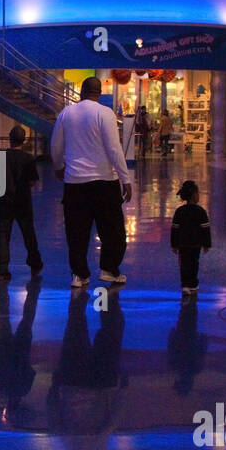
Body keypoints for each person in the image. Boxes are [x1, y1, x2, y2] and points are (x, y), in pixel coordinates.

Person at [50, 75, 132, 289]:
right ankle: (109, 270)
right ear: (99, 93)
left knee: (76, 232)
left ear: (82, 92)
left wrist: (59, 168)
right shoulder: (105, 114)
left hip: (75, 183)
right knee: (112, 231)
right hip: (105, 182)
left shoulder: (66, 114)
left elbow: (56, 146)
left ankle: (79, 275)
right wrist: (126, 179)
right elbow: (114, 149)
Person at [0, 125, 43, 281]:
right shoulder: (28, 158)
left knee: (2, 235)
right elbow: (32, 182)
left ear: (10, 138)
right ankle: (35, 263)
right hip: (22, 201)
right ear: (24, 140)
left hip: (4, 200)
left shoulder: (0, 157)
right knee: (29, 234)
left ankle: (1, 270)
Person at [170, 179, 211, 297]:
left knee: (184, 264)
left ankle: (185, 285)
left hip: (183, 244)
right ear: (194, 195)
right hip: (195, 244)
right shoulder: (201, 212)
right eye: (198, 193)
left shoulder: (179, 211)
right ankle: (193, 284)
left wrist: (174, 244)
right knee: (194, 263)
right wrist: (206, 244)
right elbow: (205, 229)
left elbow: (175, 229)